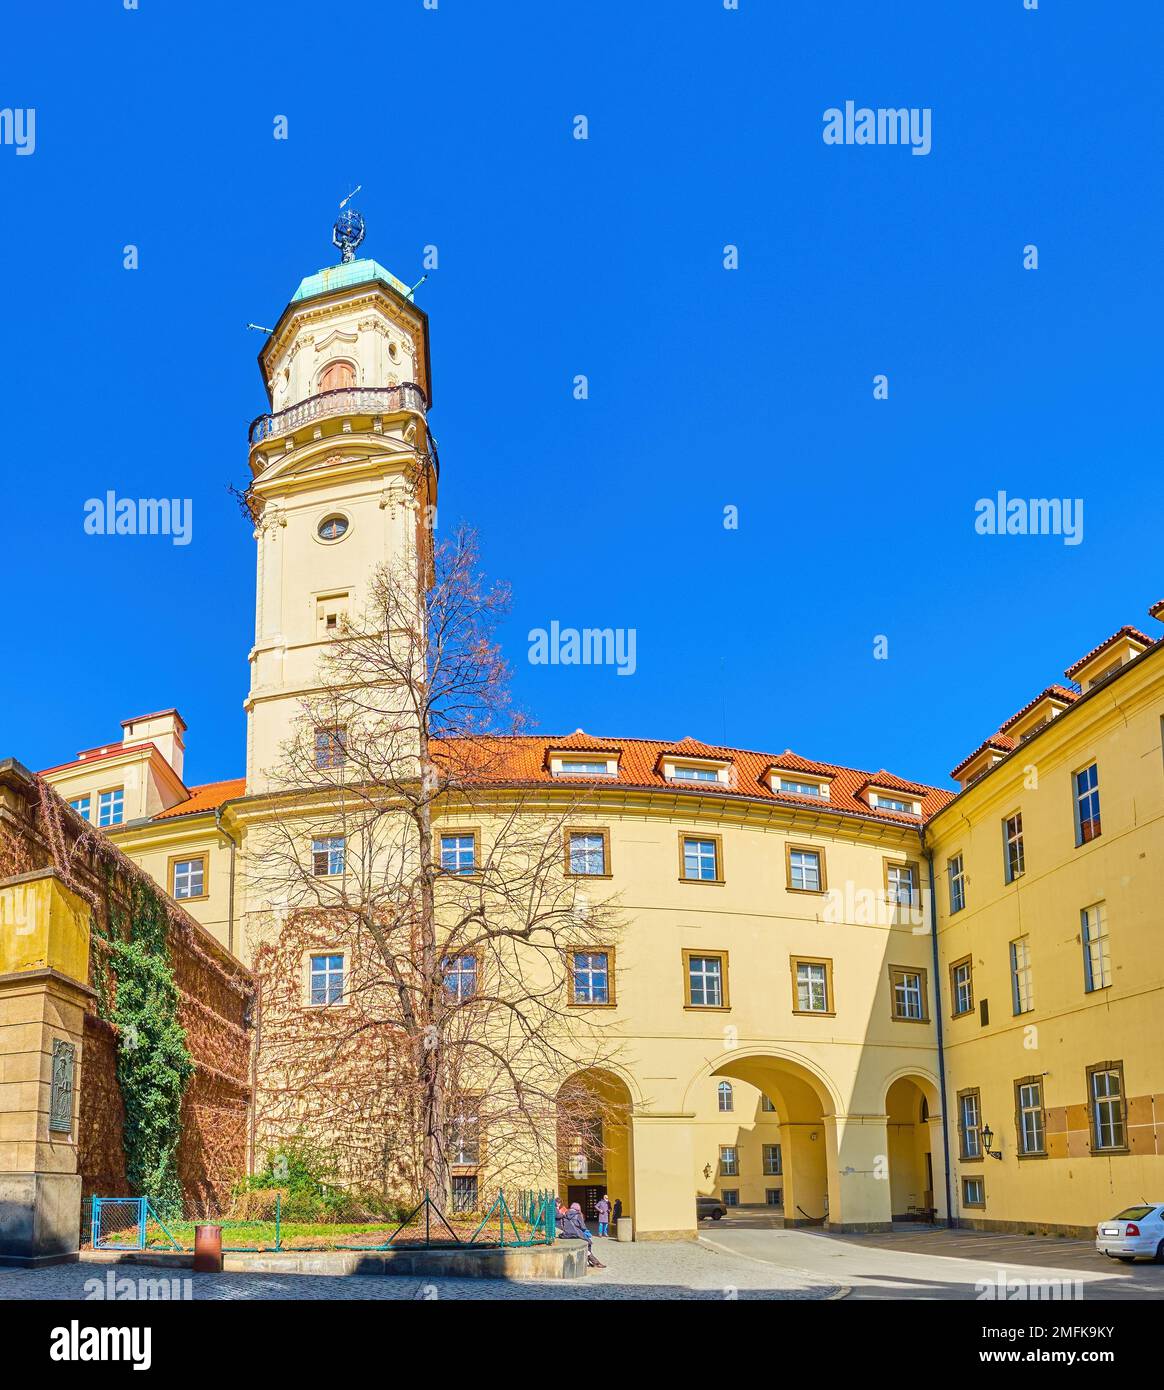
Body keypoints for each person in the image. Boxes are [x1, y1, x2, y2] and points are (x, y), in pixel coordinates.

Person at [560, 1200, 605, 1268]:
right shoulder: (578, 1215)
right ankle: (594, 1262)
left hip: (566, 1234)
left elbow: (562, 1225)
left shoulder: (565, 1214)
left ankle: (590, 1261)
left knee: (587, 1242)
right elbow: (583, 1227)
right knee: (589, 1242)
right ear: (577, 1209)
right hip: (576, 1234)